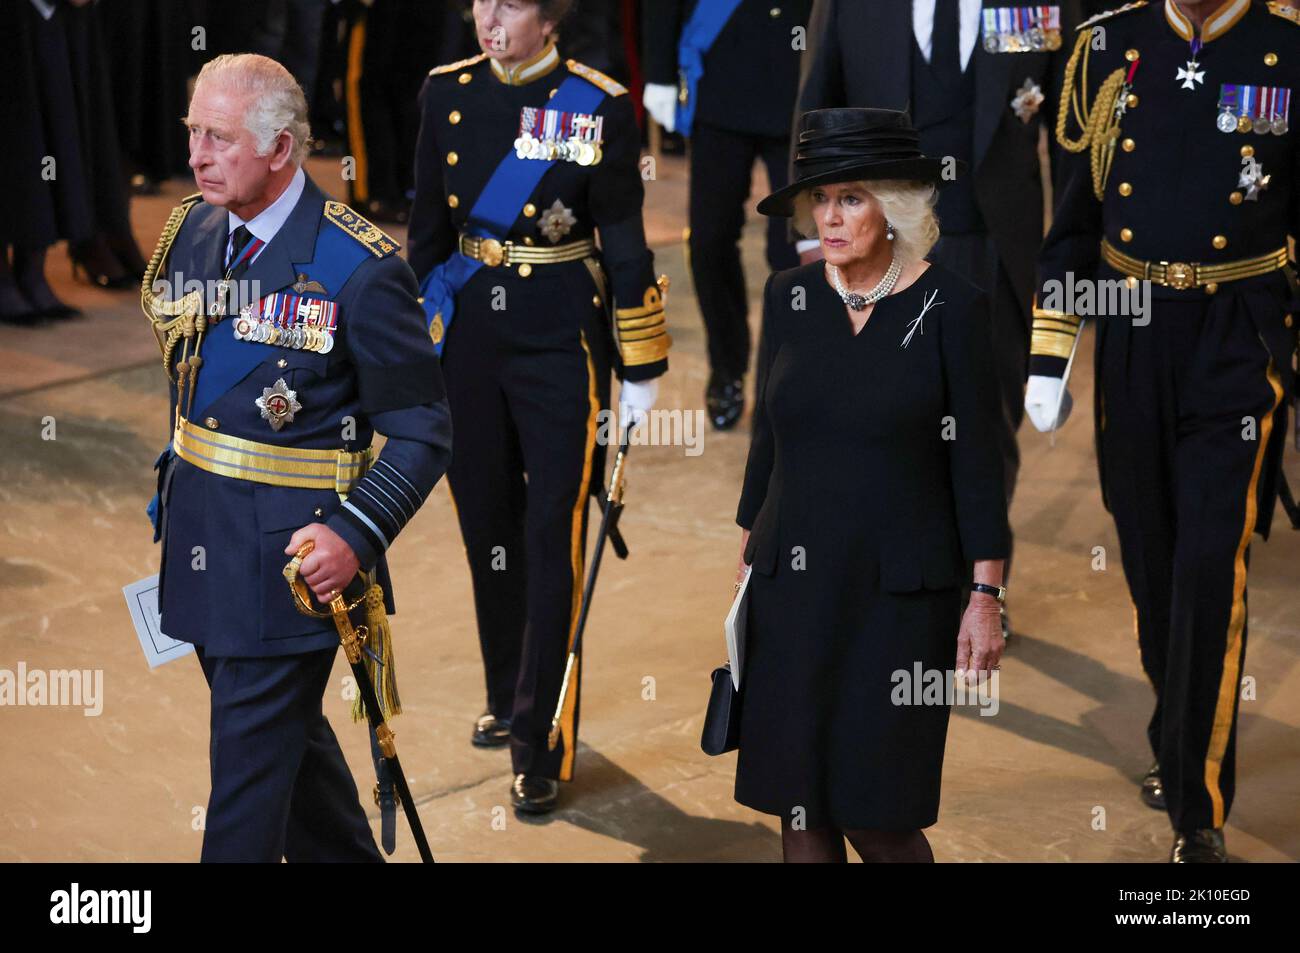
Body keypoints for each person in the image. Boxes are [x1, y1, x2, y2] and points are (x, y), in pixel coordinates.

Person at [143, 53, 452, 861]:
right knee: (291, 759)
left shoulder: (362, 269)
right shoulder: (192, 231)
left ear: (281, 149)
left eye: (219, 137)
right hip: (204, 544)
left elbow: (424, 428)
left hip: (290, 570)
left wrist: (356, 534)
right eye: (193, 133)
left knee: (242, 809)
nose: (197, 154)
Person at [1024, 0, 1300, 863]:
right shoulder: (1105, 46)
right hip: (1132, 327)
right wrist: (1051, 351)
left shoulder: (1288, 49)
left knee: (1210, 565)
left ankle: (1198, 803)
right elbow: (1072, 224)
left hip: (1238, 335)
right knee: (1148, 550)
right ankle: (1175, 717)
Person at [408, 0, 670, 815]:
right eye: (481, 0)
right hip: (467, 344)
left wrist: (642, 364)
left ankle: (540, 737)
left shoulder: (595, 103)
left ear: (551, 16)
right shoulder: (443, 92)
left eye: (512, 3)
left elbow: (622, 236)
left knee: (550, 535)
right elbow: (424, 232)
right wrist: (412, 349)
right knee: (487, 521)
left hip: (561, 340)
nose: (489, 18)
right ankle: (505, 689)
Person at [734, 108, 1009, 862]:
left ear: (897, 208)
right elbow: (769, 434)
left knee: (877, 812)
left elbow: (978, 463)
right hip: (792, 585)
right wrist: (747, 554)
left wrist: (984, 596)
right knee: (801, 808)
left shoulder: (955, 308)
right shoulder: (789, 295)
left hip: (899, 599)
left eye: (850, 197)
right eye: (819, 200)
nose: (829, 215)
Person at [796, 0, 1083, 636]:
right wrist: (813, 240)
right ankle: (896, 585)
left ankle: (978, 591)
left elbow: (1072, 138)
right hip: (883, 245)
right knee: (884, 422)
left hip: (995, 247)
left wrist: (1069, 266)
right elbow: (818, 107)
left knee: (986, 428)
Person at [641, 0, 812, 430]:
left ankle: (783, 378)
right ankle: (727, 364)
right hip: (721, 77)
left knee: (794, 252)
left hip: (800, 82)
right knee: (708, 242)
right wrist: (659, 73)